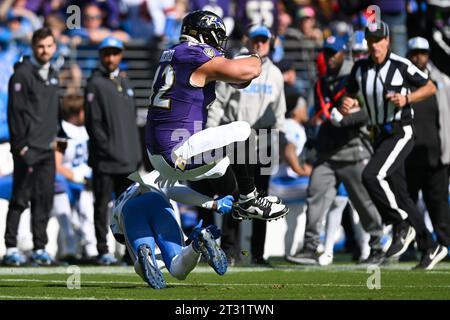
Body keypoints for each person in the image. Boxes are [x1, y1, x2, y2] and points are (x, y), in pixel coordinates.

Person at [145, 10, 288, 221]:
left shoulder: (175, 53)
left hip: (159, 151)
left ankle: (241, 201)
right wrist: (256, 55)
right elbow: (248, 71)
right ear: (205, 34)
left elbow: (233, 79)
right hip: (177, 150)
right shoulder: (195, 54)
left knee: (223, 166)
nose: (220, 43)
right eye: (218, 37)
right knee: (242, 131)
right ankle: (249, 200)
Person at [342, 21, 447, 270]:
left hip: (401, 131)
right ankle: (430, 246)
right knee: (402, 195)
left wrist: (407, 98)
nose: (375, 46)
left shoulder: (401, 65)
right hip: (378, 134)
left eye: (379, 40)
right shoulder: (360, 68)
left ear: (387, 41)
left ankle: (401, 225)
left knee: (372, 175)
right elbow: (350, 95)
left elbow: (429, 86)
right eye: (371, 41)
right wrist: (346, 104)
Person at [288, 35, 385, 266]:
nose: (330, 57)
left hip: (353, 150)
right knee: (315, 196)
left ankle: (378, 245)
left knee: (363, 201)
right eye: (327, 53)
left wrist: (344, 120)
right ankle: (311, 246)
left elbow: (370, 111)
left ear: (344, 53)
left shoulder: (357, 76)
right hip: (327, 154)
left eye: (334, 53)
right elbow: (317, 115)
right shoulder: (322, 82)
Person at [206, 24, 288, 265]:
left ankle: (258, 255)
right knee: (236, 193)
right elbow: (218, 104)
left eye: (264, 40)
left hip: (264, 139)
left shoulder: (276, 74)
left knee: (262, 196)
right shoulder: (236, 67)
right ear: (247, 40)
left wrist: (280, 140)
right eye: (256, 40)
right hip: (236, 138)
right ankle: (229, 252)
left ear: (270, 42)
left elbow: (280, 113)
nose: (260, 44)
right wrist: (210, 135)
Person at [110, 170, 234, 289]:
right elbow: (176, 190)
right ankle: (196, 246)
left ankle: (147, 255)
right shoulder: (152, 177)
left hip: (130, 210)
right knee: (177, 266)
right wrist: (212, 203)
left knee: (143, 260)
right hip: (157, 202)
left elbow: (121, 237)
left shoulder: (118, 206)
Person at [3, 28, 59, 266]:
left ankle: (40, 247)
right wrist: (20, 146)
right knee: (19, 198)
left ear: (54, 47)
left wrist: (57, 146)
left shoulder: (53, 74)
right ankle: (11, 248)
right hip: (27, 149)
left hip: (47, 149)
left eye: (48, 46)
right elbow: (14, 113)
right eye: (40, 46)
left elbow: (54, 115)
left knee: (44, 199)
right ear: (33, 47)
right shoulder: (22, 75)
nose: (45, 51)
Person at [84, 36, 142, 265]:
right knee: (101, 205)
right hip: (105, 161)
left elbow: (133, 122)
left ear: (120, 55)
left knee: (128, 208)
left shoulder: (126, 83)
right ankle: (103, 249)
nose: (111, 58)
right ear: (100, 56)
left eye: (115, 53)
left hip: (128, 161)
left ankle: (129, 251)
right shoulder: (94, 83)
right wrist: (108, 150)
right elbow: (93, 125)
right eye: (106, 53)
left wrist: (136, 154)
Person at [405, 37, 450, 264]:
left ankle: (445, 246)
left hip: (436, 156)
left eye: (422, 52)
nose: (418, 57)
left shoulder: (440, 81)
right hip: (409, 156)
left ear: (428, 55)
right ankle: (420, 248)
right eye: (414, 52)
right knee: (409, 206)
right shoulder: (401, 84)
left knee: (439, 206)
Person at [52, 94, 97, 261]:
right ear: (77, 112)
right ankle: (70, 248)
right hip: (69, 180)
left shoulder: (86, 129)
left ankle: (91, 248)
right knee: (67, 207)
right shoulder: (64, 133)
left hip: (86, 180)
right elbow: (57, 164)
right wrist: (75, 176)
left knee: (88, 209)